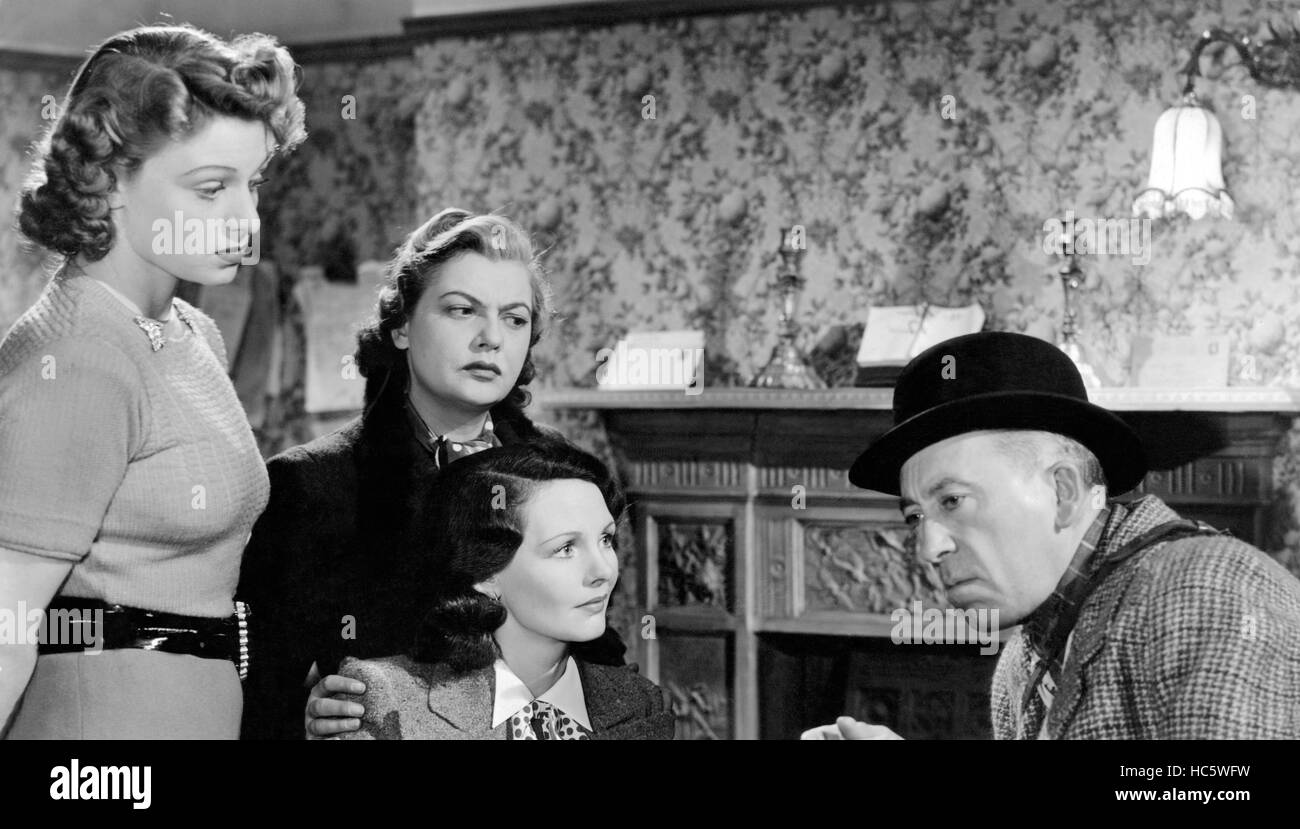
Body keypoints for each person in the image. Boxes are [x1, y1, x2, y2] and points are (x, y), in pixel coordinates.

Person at [0, 24, 306, 739]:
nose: (246, 222)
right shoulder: (79, 357)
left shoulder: (193, 333)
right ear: (109, 180)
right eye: (210, 189)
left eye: (251, 184)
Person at [237, 208, 625, 740]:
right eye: (462, 310)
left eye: (515, 318)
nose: (491, 338)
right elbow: (258, 691)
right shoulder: (312, 486)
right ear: (400, 326)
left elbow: (603, 654)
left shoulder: (567, 477)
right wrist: (303, 717)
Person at [804, 332, 1300, 740]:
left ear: (1062, 491)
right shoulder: (1019, 661)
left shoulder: (1212, 594)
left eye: (952, 501)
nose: (928, 549)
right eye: (915, 517)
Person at [334, 441, 674, 739]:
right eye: (566, 548)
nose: (603, 571)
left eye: (606, 539)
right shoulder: (385, 697)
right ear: (486, 573)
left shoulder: (639, 703)